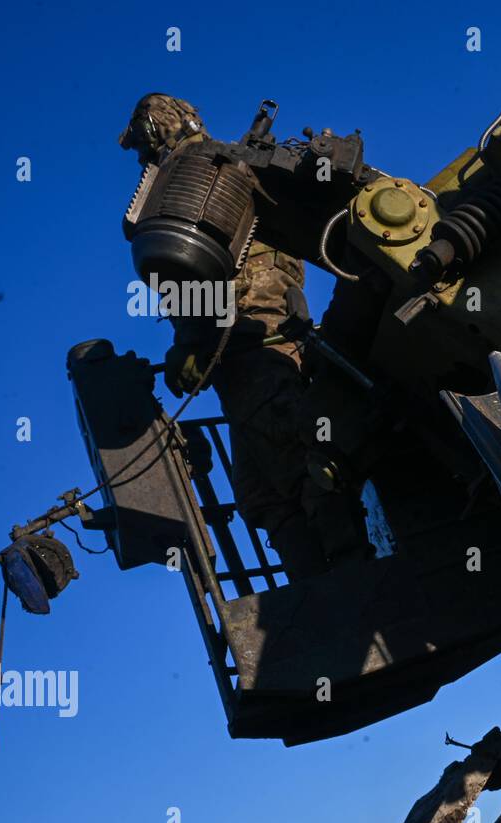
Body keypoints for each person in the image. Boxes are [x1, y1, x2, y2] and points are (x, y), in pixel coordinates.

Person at [119, 93, 369, 579]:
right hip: (235, 360)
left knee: (302, 466)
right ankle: (317, 594)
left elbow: (203, 276)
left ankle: (354, 578)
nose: (141, 155)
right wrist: (190, 342)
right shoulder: (201, 175)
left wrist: (190, 341)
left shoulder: (212, 171)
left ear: (154, 128)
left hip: (261, 345)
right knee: (261, 497)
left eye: (141, 143)